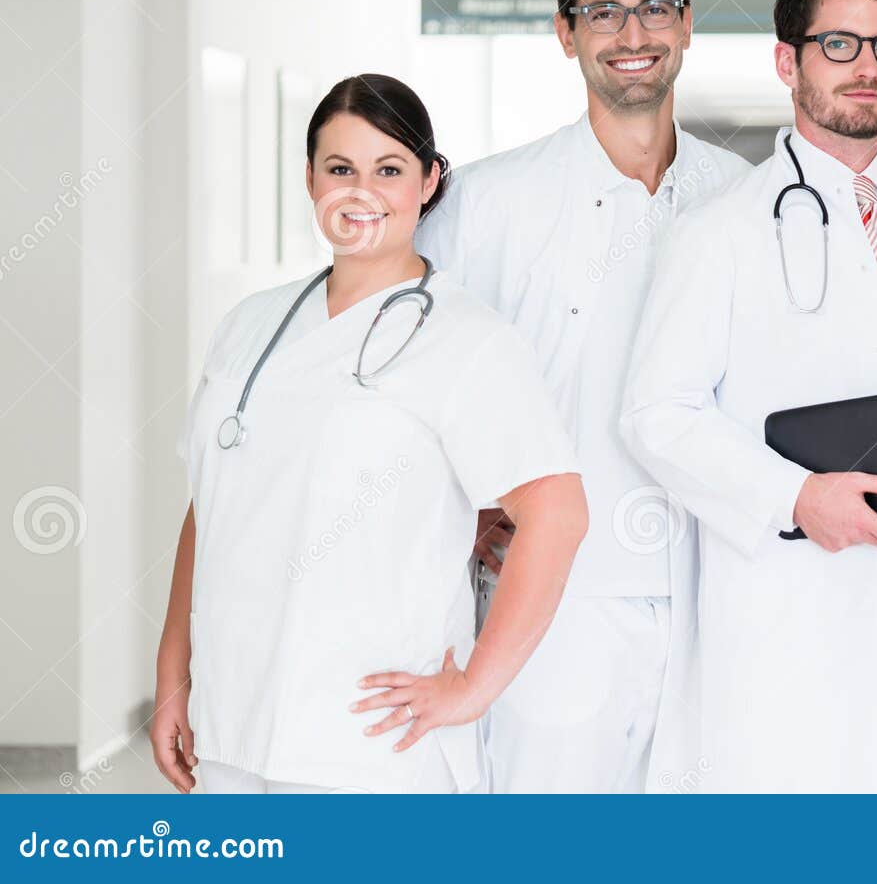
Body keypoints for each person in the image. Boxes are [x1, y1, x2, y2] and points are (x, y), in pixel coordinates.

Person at [150, 74, 587, 794]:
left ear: (429, 180)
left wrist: (474, 687)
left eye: (389, 170)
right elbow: (211, 505)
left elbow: (558, 513)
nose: (363, 191)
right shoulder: (250, 325)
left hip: (370, 747)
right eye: (340, 169)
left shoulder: (467, 338)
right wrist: (173, 677)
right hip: (230, 724)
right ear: (311, 179)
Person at [621, 0, 877, 792]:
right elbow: (656, 413)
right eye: (839, 44)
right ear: (788, 61)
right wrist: (795, 497)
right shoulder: (722, 233)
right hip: (795, 616)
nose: (867, 67)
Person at [415, 0, 749, 793]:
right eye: (604, 13)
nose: (631, 36)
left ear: (684, 25)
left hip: (721, 595)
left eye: (652, 10)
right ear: (565, 33)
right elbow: (414, 380)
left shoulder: (745, 198)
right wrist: (466, 510)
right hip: (558, 609)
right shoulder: (489, 202)